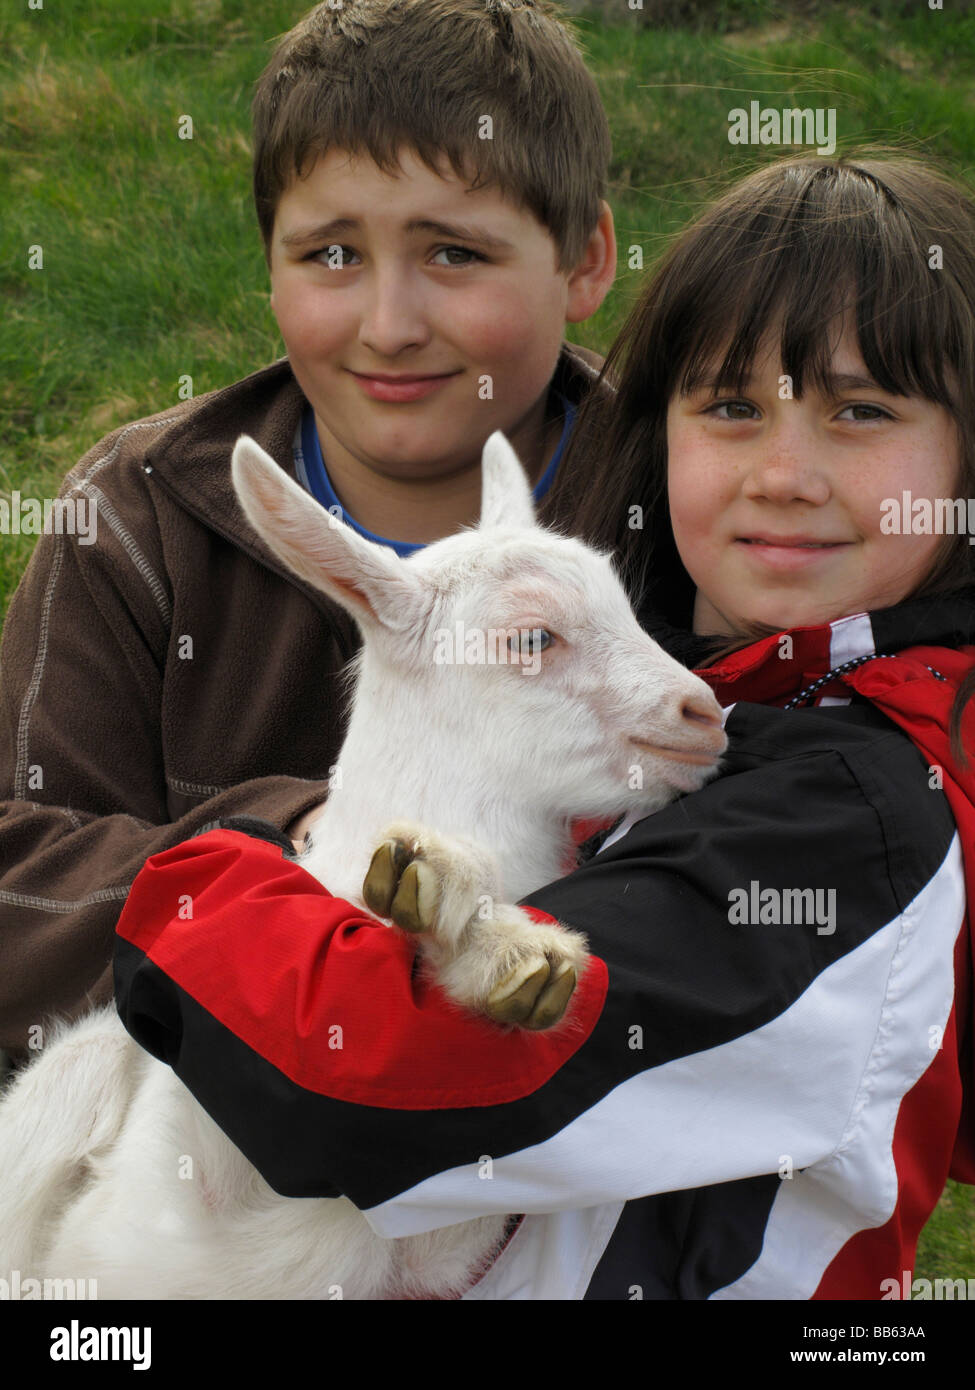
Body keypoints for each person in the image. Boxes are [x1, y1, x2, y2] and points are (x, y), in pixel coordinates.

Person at [115, 152, 975, 1300]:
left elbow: (366, 1085)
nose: (783, 472)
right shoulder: (721, 720)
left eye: (860, 411)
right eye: (728, 406)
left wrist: (189, 895)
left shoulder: (863, 819)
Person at [0, 0, 617, 1059]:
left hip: (559, 1174)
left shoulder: (678, 513)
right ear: (270, 264)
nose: (388, 323)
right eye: (331, 254)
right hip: (190, 1171)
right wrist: (307, 844)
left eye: (456, 253)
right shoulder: (137, 514)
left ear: (585, 260)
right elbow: (17, 879)